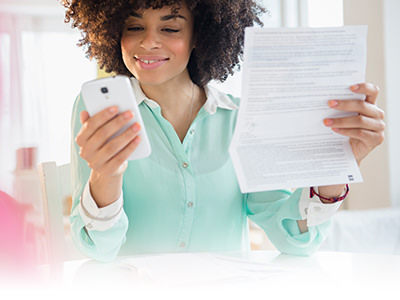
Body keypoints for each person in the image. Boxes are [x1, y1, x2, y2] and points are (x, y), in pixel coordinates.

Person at [63, 0, 385, 262]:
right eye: (134, 27)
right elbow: (97, 249)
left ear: (199, 36)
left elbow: (295, 240)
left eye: (170, 27)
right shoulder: (98, 111)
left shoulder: (240, 118)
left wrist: (335, 167)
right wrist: (106, 175)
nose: (148, 41)